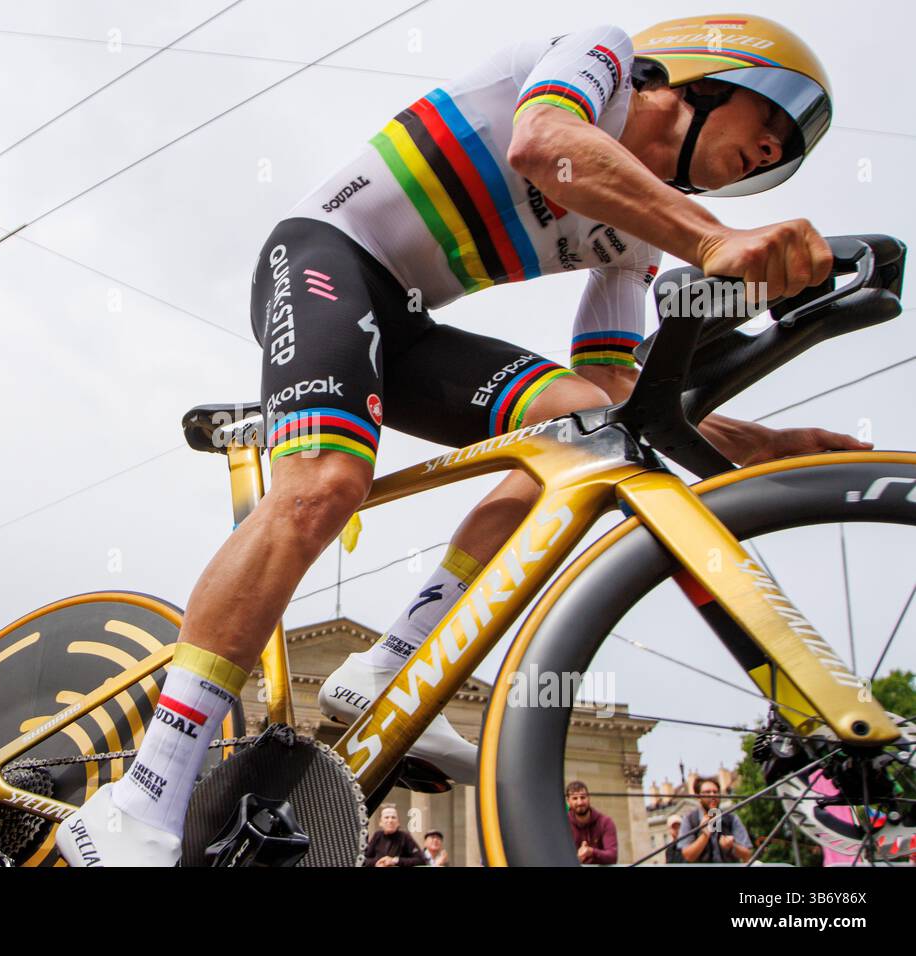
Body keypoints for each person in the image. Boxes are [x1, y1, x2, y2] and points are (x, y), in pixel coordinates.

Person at [60, 13, 857, 865]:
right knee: (326, 485)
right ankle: (141, 797)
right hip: (328, 254)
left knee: (583, 437)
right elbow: (544, 142)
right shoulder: (606, 59)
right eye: (772, 123)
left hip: (406, 321)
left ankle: (393, 659)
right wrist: (716, 240)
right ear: (710, 74)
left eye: (785, 155)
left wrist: (761, 445)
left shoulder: (633, 240)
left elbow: (623, 404)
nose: (772, 154)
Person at [678, 776, 753, 862]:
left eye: (715, 792)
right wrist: (704, 836)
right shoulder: (689, 819)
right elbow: (687, 856)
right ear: (698, 797)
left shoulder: (731, 818)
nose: (713, 795)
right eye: (707, 792)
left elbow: (748, 854)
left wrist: (732, 846)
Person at [566, 781, 618, 864]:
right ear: (568, 801)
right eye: (575, 798)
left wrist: (591, 852)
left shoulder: (605, 822)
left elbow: (612, 857)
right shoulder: (562, 824)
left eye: (583, 797)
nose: (580, 802)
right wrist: (576, 859)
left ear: (589, 798)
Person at [362, 806, 426, 867]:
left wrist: (395, 860)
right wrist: (377, 862)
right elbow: (363, 859)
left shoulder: (405, 837)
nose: (390, 821)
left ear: (398, 822)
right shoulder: (377, 836)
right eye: (386, 817)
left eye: (393, 817)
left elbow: (421, 860)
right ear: (380, 822)